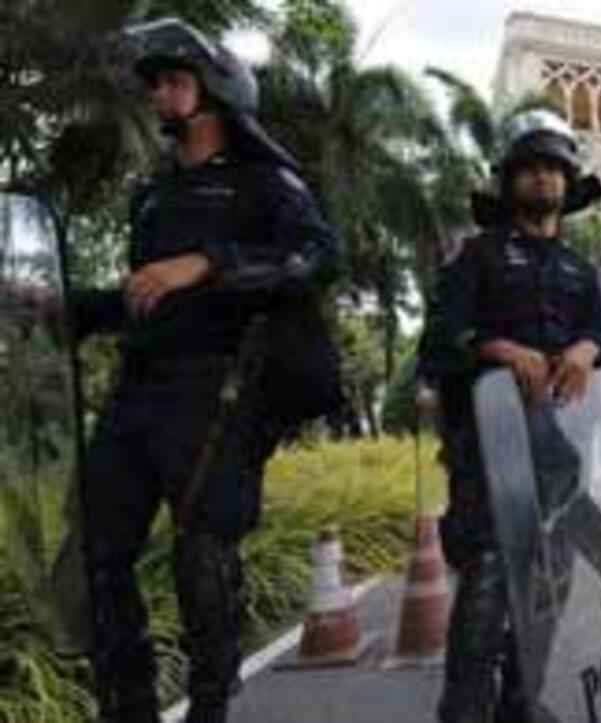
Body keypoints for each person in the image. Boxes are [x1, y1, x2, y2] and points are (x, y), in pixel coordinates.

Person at [78, 19, 340, 723]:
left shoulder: (268, 184)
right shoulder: (152, 195)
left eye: (174, 80)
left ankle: (211, 707)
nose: (159, 94)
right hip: (136, 391)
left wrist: (209, 262)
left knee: (203, 557)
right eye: (155, 83)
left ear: (218, 92)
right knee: (96, 556)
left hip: (216, 393)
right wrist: (61, 307)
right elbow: (143, 295)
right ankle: (129, 706)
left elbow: (316, 257)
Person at [418, 109, 601, 723]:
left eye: (556, 169)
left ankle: (522, 705)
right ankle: (464, 713)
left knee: (548, 593)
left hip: (560, 458)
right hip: (489, 455)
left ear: (569, 185)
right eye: (532, 168)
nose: (545, 178)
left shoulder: (584, 271)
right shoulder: (477, 257)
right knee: (485, 598)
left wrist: (590, 346)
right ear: (510, 179)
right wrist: (497, 348)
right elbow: (438, 342)